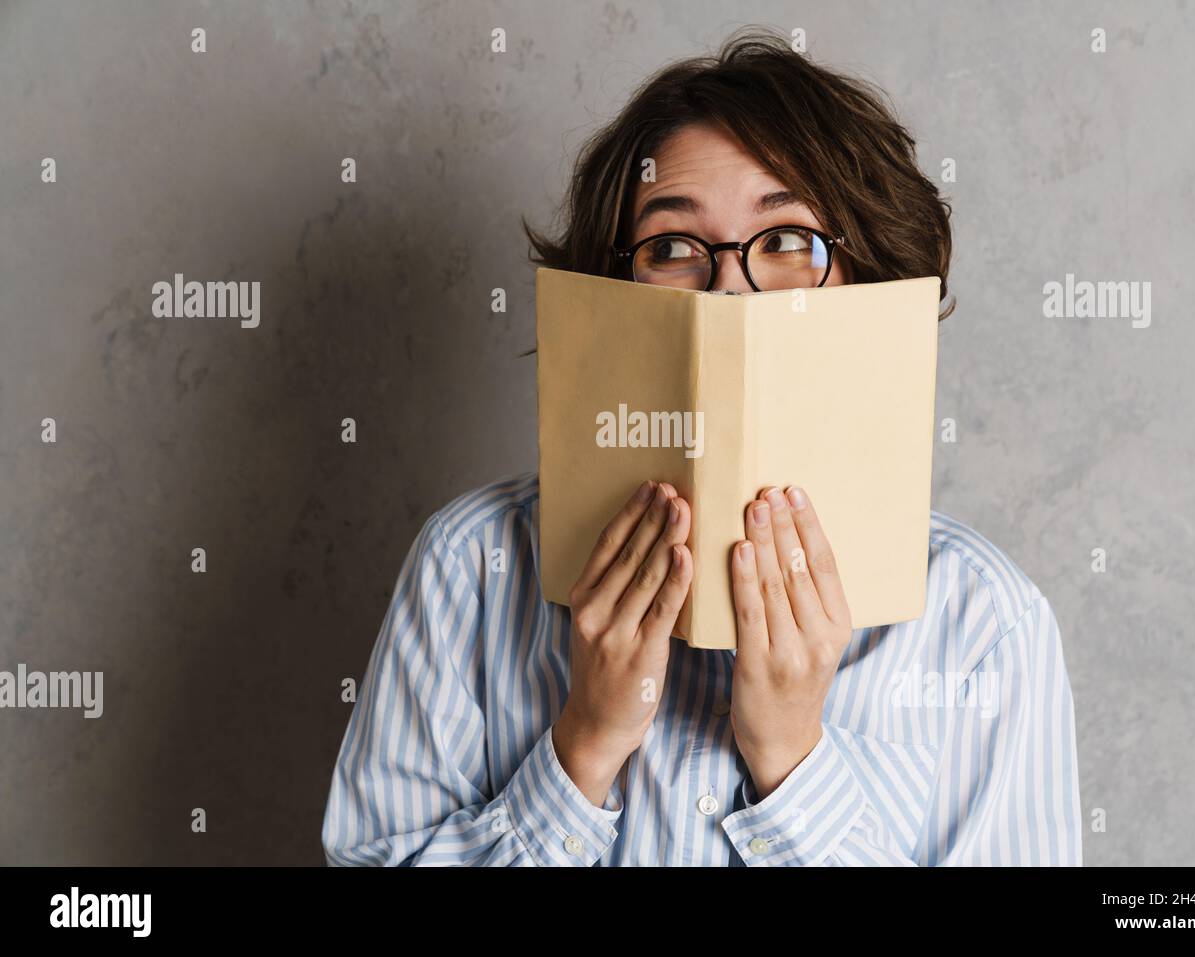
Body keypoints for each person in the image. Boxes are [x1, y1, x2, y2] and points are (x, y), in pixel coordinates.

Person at [322, 29, 1082, 866]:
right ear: (611, 291)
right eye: (672, 248)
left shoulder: (982, 622)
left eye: (789, 241)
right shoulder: (469, 569)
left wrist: (794, 761)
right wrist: (583, 747)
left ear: (870, 282)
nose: (729, 288)